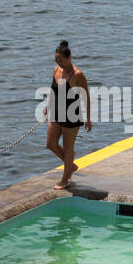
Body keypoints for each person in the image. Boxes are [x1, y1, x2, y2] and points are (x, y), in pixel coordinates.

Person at [44, 40, 91, 190]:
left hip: (72, 115)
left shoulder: (78, 75)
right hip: (57, 112)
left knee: (68, 146)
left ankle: (65, 179)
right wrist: (47, 107)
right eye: (57, 60)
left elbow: (86, 97)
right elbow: (53, 90)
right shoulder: (56, 70)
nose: (59, 63)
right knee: (50, 143)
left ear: (69, 58)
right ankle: (70, 165)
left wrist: (88, 119)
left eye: (61, 60)